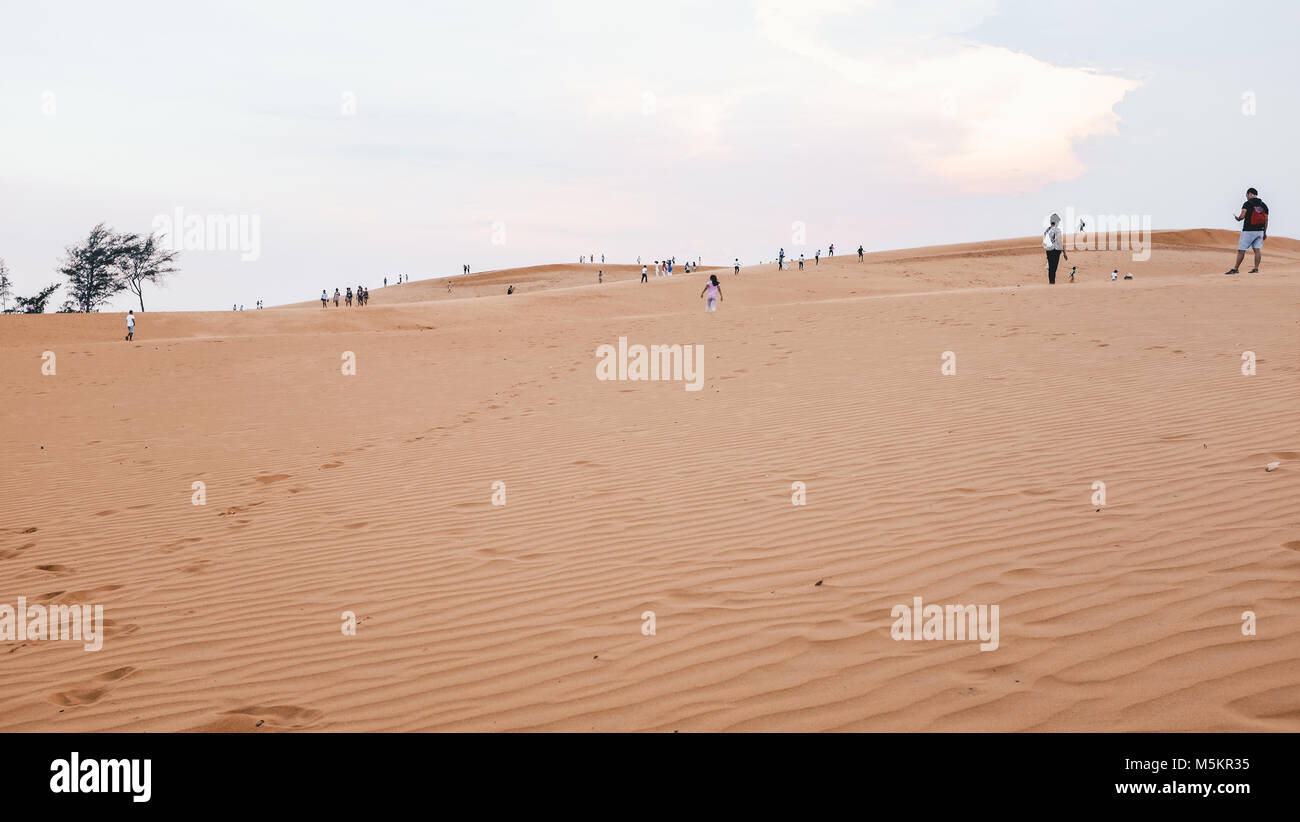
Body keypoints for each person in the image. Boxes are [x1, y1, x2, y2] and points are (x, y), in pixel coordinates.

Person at [1226, 187, 1269, 275]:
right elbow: (1266, 220)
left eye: (1247, 195)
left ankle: (1235, 269)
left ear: (1249, 194)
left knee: (1241, 250)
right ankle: (1256, 268)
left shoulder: (1247, 203)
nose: (1246, 197)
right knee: (1257, 250)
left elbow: (1242, 216)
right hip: (1260, 231)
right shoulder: (1264, 205)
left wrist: (1238, 218)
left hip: (1248, 231)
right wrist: (1264, 232)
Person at [1042, 213, 1067, 284]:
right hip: (1056, 251)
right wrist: (1064, 253)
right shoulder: (1058, 230)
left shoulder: (1047, 230)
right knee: (1054, 267)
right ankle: (1052, 282)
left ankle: (1051, 282)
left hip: (1049, 250)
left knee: (1051, 267)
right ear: (1056, 222)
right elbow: (1060, 242)